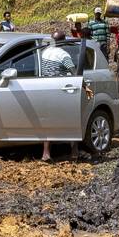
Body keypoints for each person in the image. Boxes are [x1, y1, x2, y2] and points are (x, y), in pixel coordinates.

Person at [39, 30, 77, 162]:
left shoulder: (45, 52)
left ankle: (46, 153)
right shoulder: (63, 54)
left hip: (46, 89)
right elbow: (74, 72)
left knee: (48, 121)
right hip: (60, 90)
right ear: (63, 41)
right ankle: (74, 152)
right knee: (72, 120)